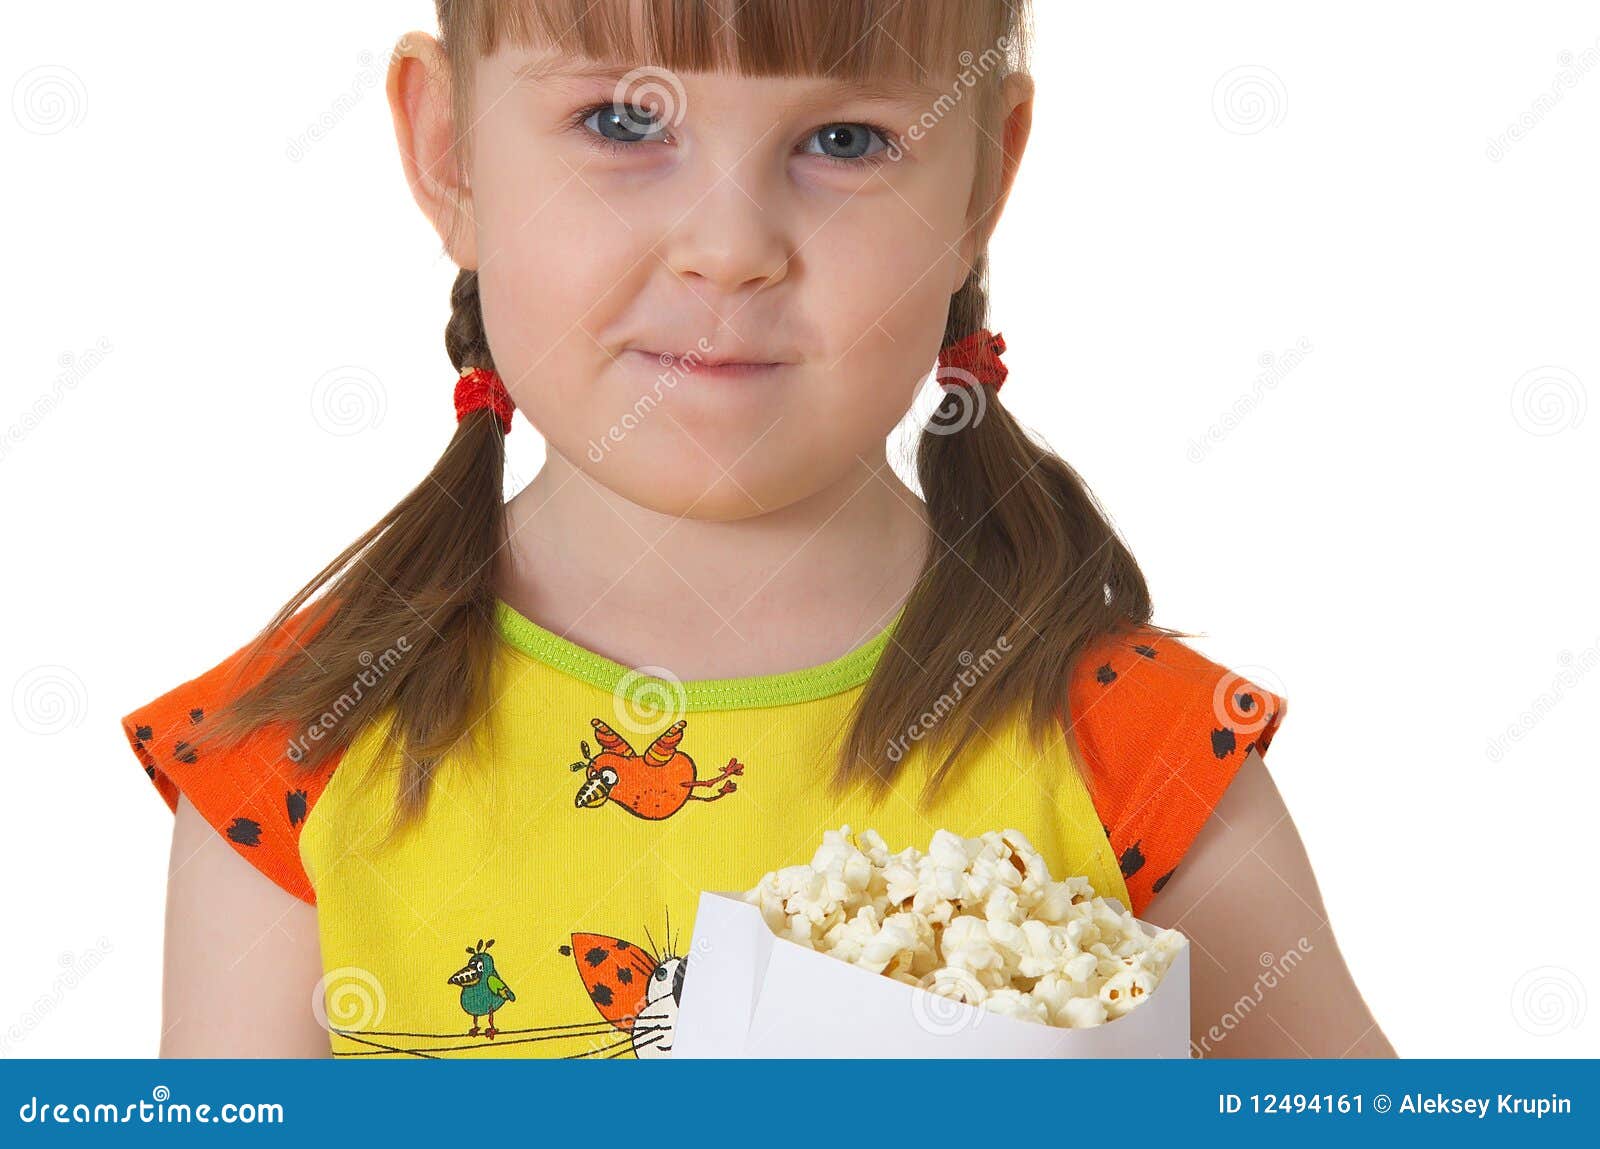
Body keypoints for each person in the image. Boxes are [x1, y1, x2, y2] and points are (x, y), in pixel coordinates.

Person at [122, 0, 1391, 1059]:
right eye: (622, 120)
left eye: (844, 137)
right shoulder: (288, 762)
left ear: (980, 186)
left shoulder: (1140, 758)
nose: (729, 249)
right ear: (450, 151)